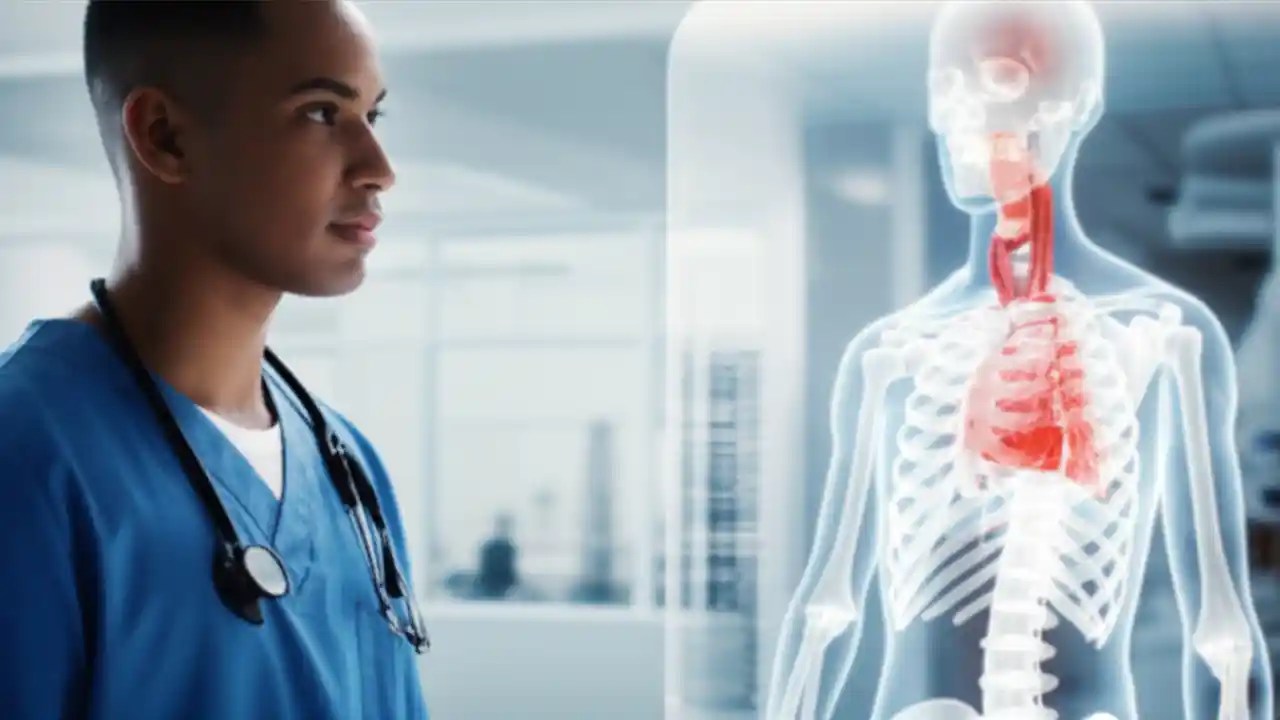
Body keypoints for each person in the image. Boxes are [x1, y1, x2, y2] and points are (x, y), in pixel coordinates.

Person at [0, 2, 430, 718]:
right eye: (322, 113)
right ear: (165, 137)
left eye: (373, 117)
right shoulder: (29, 461)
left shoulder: (349, 468)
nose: (379, 169)